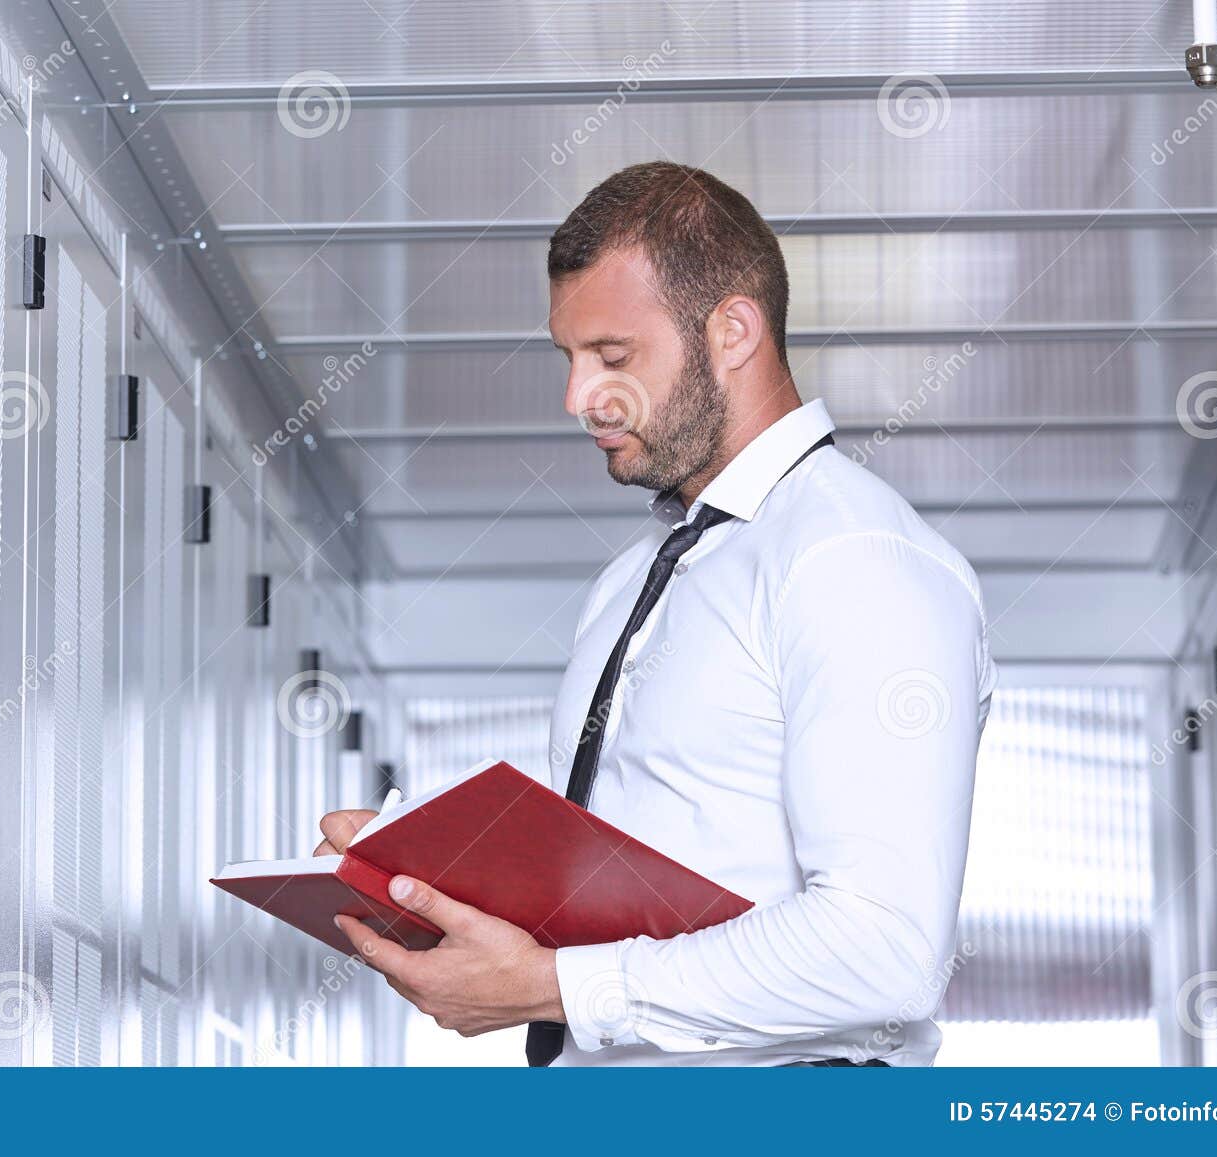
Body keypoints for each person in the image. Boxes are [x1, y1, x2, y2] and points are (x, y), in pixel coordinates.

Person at [315, 161, 996, 1067]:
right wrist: (437, 892)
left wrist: (552, 986)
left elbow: (885, 947)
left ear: (733, 331)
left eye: (613, 356)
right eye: (569, 358)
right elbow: (623, 907)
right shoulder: (632, 582)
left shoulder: (853, 559)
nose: (576, 398)